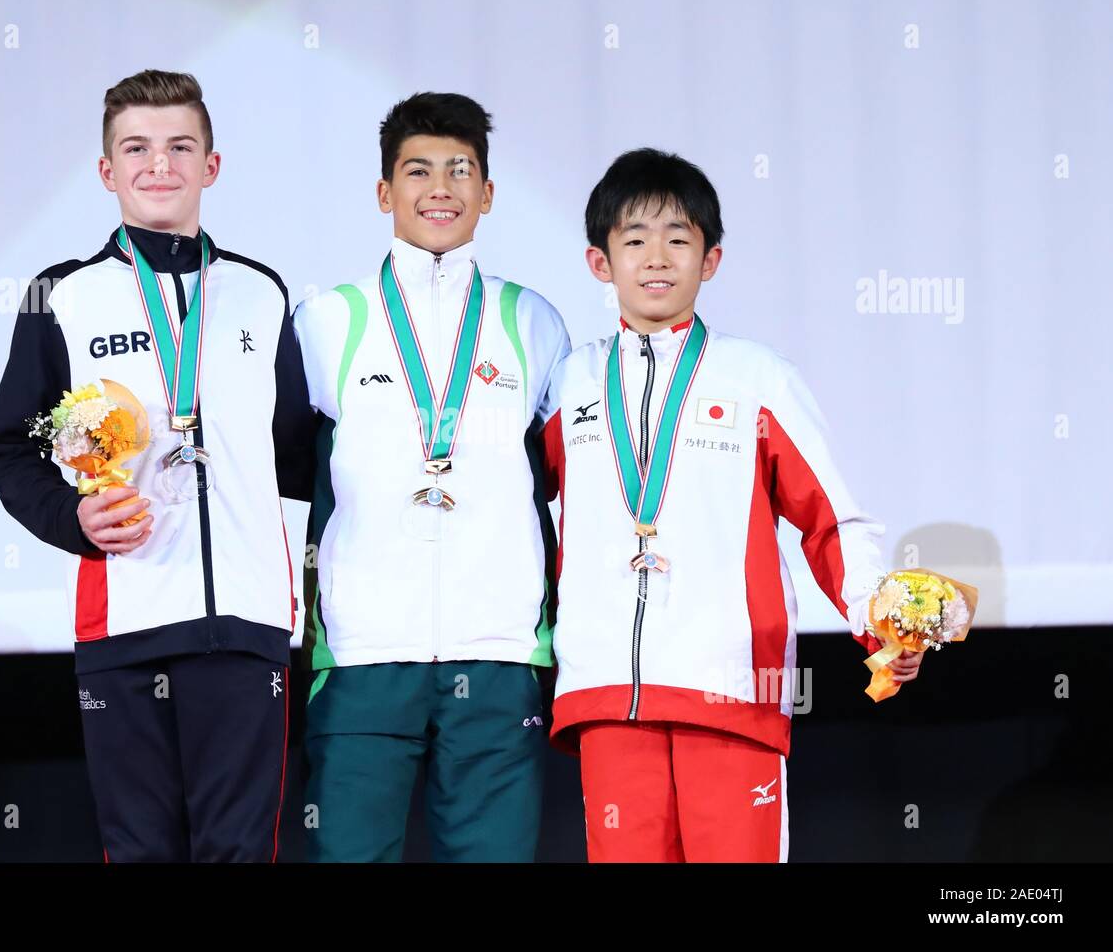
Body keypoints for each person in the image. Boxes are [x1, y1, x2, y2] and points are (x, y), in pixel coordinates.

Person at [540, 148, 925, 862]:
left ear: (710, 260)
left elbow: (830, 519)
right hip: (607, 696)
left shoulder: (757, 378)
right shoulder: (568, 384)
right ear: (600, 262)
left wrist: (879, 618)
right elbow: (510, 510)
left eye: (679, 239)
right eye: (634, 240)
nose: (657, 258)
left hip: (731, 692)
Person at [0, 69, 314, 862]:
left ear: (211, 165)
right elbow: (10, 444)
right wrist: (73, 518)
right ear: (106, 170)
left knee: (239, 852)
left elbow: (294, 451)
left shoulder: (260, 293)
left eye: (179, 146)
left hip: (247, 624)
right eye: (136, 148)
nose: (159, 164)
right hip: (125, 615)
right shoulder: (63, 295)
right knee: (139, 853)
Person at [293, 92, 571, 861]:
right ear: (385, 192)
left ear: (488, 191)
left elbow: (562, 474)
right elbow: (286, 466)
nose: (440, 188)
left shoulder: (533, 321)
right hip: (362, 651)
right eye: (418, 171)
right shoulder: (327, 321)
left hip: (500, 648)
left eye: (460, 169)